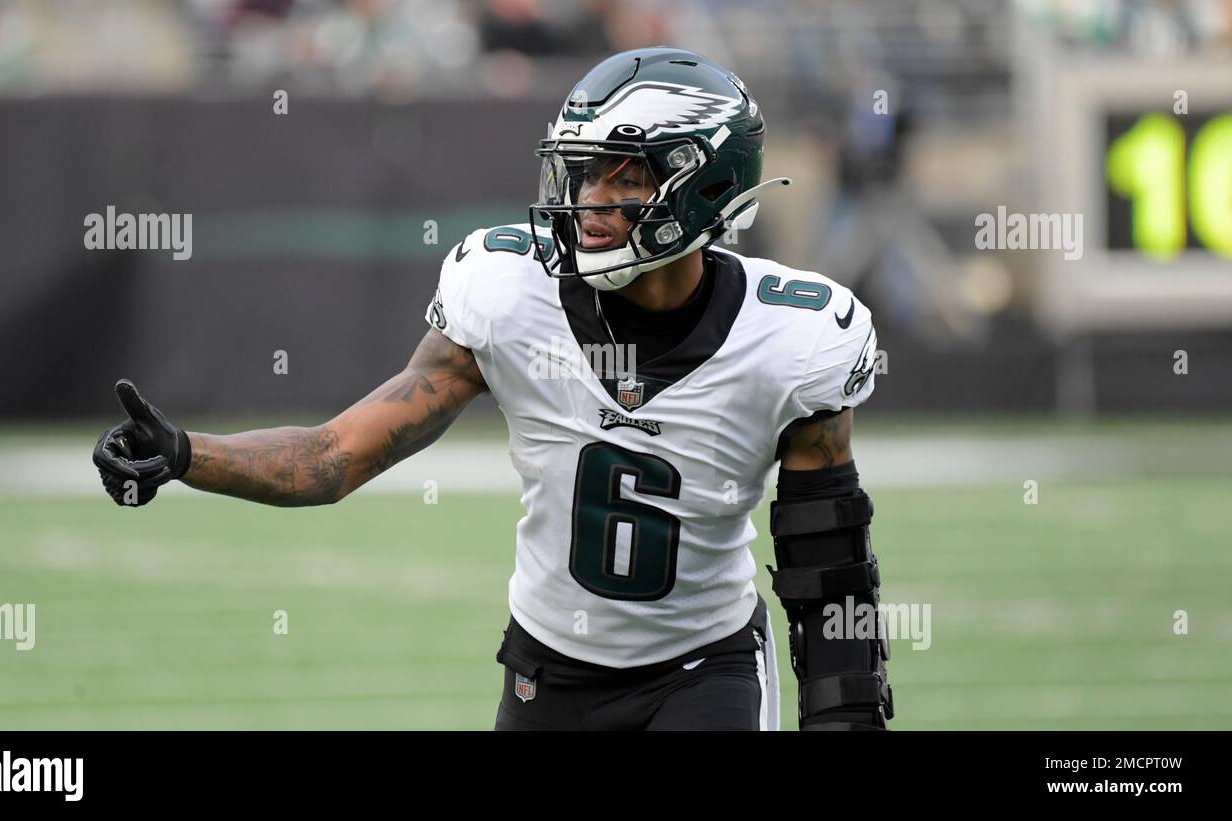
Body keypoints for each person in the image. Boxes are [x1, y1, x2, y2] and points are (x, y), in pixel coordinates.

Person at [93, 47, 893, 731]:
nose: (589, 201)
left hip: (705, 670)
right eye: (583, 172)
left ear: (703, 184)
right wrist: (191, 455)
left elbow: (829, 570)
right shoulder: (511, 295)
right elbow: (334, 456)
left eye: (624, 177)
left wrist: (845, 712)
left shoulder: (791, 338)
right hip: (550, 672)